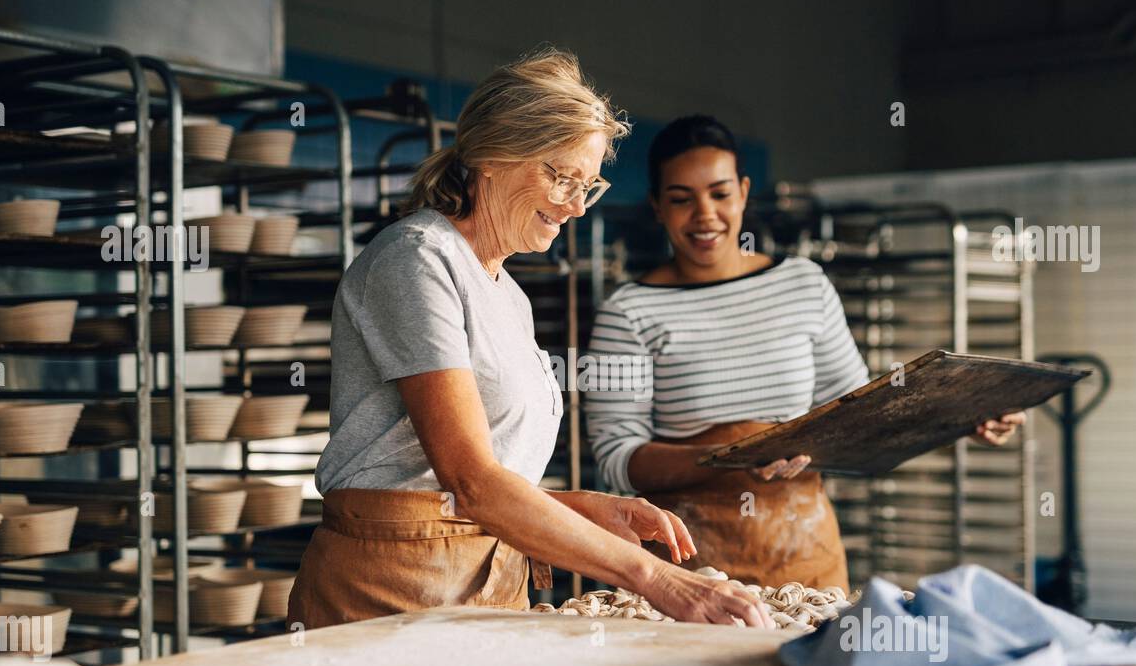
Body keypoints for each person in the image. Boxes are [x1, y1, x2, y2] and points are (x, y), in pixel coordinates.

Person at [289, 56, 773, 631]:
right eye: (561, 178)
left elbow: (471, 486)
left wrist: (583, 509)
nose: (574, 206)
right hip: (388, 592)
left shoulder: (507, 293)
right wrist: (656, 579)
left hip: (485, 588)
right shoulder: (417, 260)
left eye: (588, 186)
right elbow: (468, 484)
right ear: (491, 156)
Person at [585, 115, 1024, 591]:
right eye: (680, 199)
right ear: (656, 207)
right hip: (688, 567)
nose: (705, 215)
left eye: (720, 193)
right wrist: (727, 457)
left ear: (744, 191)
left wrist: (961, 418)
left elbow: (862, 416)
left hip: (807, 561)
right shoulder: (626, 312)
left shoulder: (804, 284)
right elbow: (617, 456)